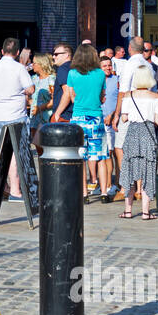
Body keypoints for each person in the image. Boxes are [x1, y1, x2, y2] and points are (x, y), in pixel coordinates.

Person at [56, 43, 111, 202]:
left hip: (78, 117)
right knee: (100, 156)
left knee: (81, 157)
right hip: (96, 117)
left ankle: (84, 193)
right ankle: (104, 192)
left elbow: (71, 96)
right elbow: (102, 97)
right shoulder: (100, 74)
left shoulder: (72, 74)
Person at [0, 38, 34, 202]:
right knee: (14, 154)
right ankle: (14, 190)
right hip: (15, 115)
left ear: (2, 50)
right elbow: (30, 88)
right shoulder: (19, 68)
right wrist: (24, 92)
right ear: (18, 52)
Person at [118, 66, 158, 219]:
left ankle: (128, 211)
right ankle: (145, 212)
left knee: (129, 171)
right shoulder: (156, 97)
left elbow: (124, 118)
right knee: (147, 172)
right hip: (148, 133)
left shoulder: (128, 95)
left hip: (132, 134)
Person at [100, 53, 120, 198]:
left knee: (116, 153)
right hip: (100, 121)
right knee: (105, 154)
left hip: (114, 121)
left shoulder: (117, 80)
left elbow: (121, 99)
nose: (108, 68)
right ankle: (106, 184)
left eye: (109, 65)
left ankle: (117, 184)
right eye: (105, 66)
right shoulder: (97, 81)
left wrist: (112, 114)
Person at [49, 43, 74, 123]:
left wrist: (57, 114)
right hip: (74, 114)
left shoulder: (63, 68)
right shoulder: (75, 67)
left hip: (64, 116)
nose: (53, 57)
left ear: (66, 55)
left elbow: (67, 92)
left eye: (56, 54)